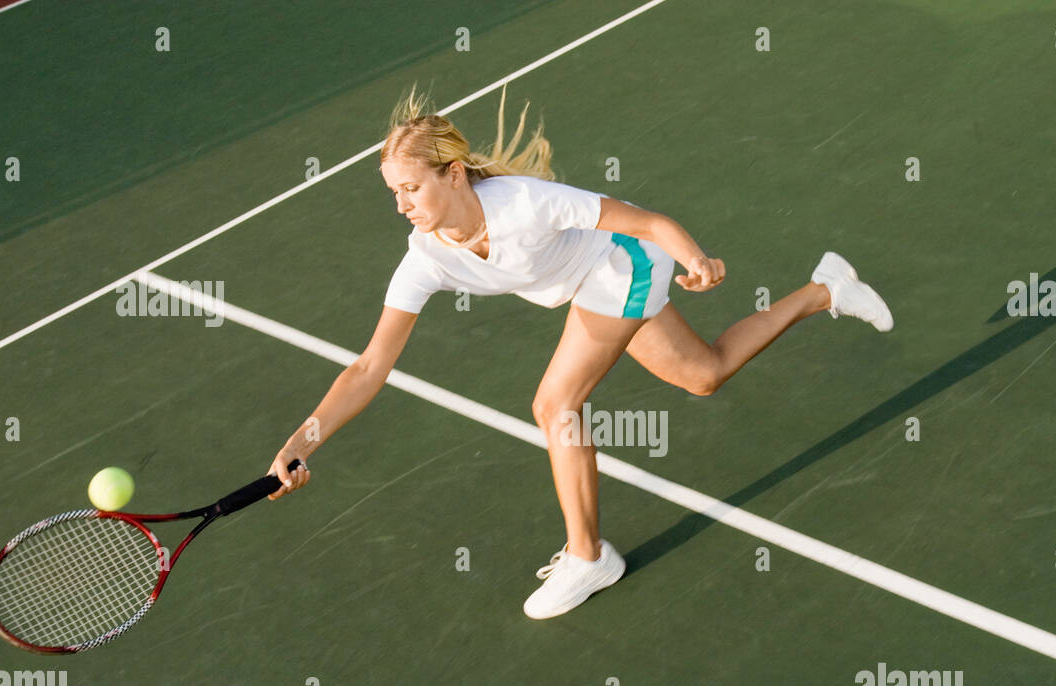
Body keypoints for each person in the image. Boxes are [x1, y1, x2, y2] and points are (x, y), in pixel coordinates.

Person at [267, 86, 892, 620]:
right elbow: (370, 367)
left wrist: (695, 258)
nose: (402, 206)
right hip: (590, 286)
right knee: (705, 374)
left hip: (625, 263)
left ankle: (589, 556)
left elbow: (645, 221)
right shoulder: (425, 257)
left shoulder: (525, 203)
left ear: (452, 175)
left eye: (410, 189)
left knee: (555, 404)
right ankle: (824, 289)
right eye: (393, 194)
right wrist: (302, 441)